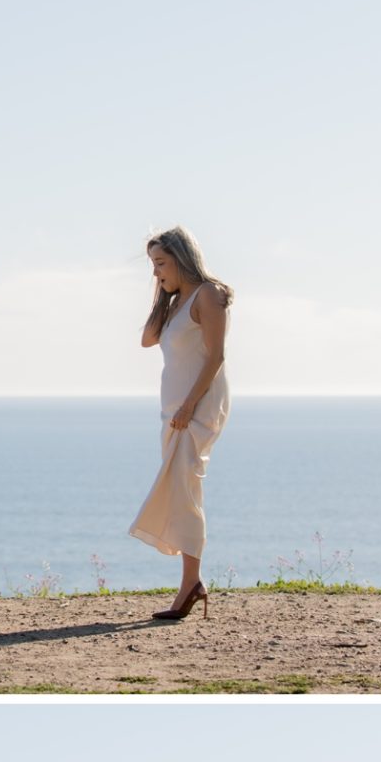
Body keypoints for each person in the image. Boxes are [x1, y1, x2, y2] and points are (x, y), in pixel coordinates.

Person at [129, 227, 233, 620]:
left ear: (181, 258)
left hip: (197, 405)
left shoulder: (209, 294)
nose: (156, 272)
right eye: (153, 266)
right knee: (180, 488)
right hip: (174, 410)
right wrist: (162, 292)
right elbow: (147, 339)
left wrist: (190, 406)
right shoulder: (175, 302)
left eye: (161, 264)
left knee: (185, 487)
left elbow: (216, 356)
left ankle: (191, 584)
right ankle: (193, 581)